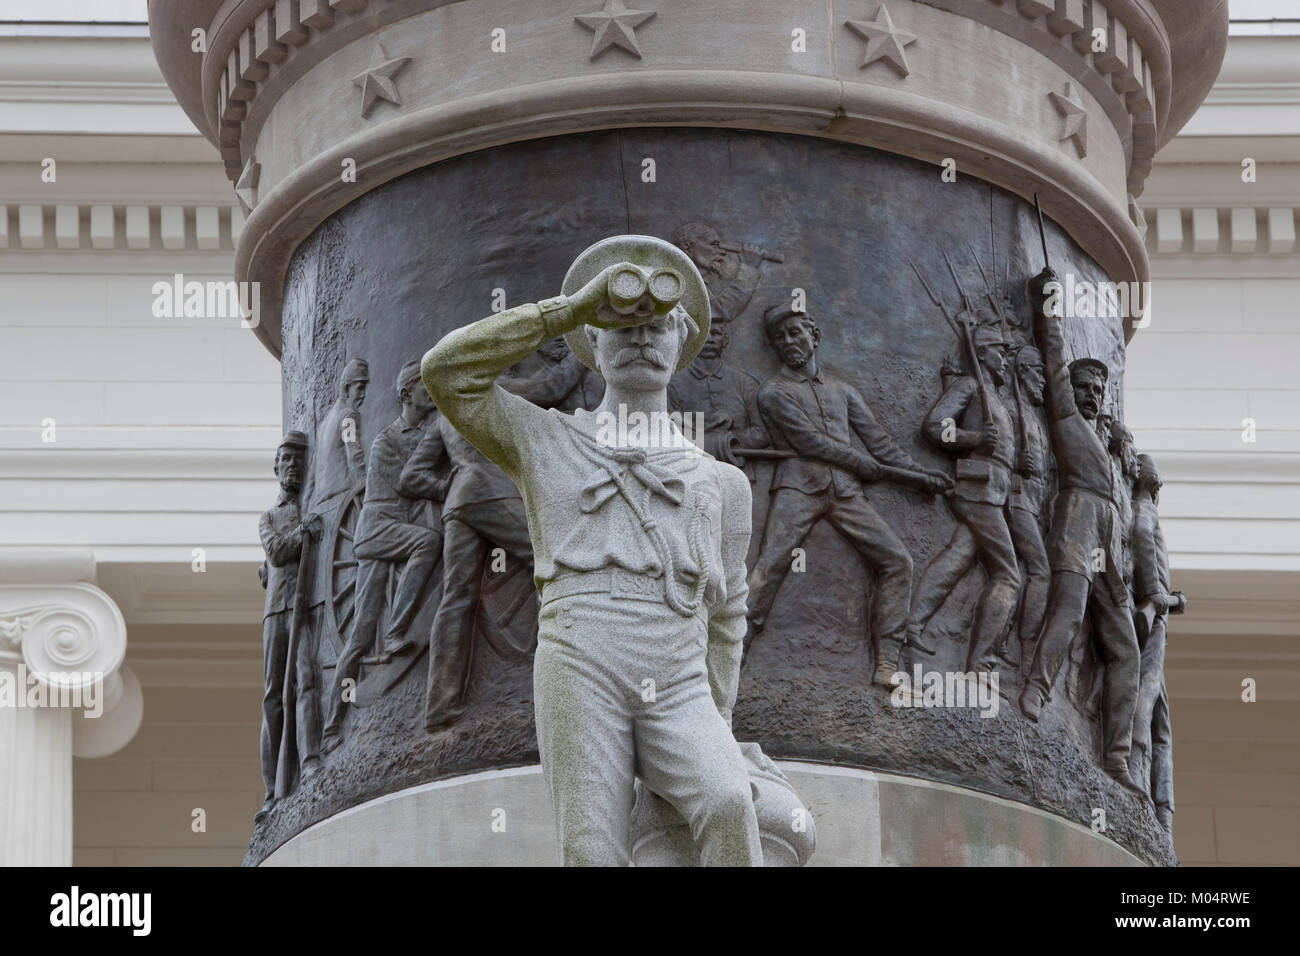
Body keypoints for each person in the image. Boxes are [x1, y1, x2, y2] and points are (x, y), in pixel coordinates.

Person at [421, 234, 772, 866]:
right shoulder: (543, 439)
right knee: (590, 849)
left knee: (727, 802)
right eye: (621, 325)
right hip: (580, 653)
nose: (641, 338)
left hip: (679, 670)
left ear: (681, 341)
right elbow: (446, 373)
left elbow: (727, 620)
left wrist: (717, 726)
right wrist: (569, 309)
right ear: (593, 341)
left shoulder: (722, 483)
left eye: (657, 326)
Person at [746, 304, 952, 687]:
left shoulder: (843, 391)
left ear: (814, 337)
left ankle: (887, 664)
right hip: (799, 488)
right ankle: (732, 653)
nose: (788, 341)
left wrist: (919, 475)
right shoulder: (773, 393)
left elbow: (879, 442)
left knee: (898, 562)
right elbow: (811, 443)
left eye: (795, 332)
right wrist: (859, 463)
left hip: (845, 492)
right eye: (779, 337)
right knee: (769, 568)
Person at [1018, 268, 1143, 792]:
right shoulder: (1066, 419)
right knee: (1068, 614)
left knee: (1127, 650)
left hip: (1106, 540)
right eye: (1084, 387)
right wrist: (1047, 302)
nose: (1091, 394)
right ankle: (1033, 691)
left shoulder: (1107, 443)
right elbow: (1053, 356)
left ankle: (1116, 758)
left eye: (1098, 389)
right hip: (1076, 522)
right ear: (1070, 391)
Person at [320, 361, 449, 754]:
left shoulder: (423, 431)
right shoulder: (386, 441)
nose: (431, 393)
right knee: (426, 543)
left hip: (392, 530)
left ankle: (332, 724)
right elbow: (409, 483)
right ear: (407, 394)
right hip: (378, 528)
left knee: (361, 631)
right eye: (424, 387)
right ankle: (394, 634)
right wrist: (445, 485)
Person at [906, 319, 1020, 674]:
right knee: (1008, 575)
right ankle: (981, 662)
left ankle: (911, 624)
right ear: (982, 353)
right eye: (1000, 352)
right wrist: (974, 439)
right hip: (977, 490)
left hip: (992, 491)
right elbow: (935, 426)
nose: (1005, 359)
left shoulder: (993, 396)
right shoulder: (970, 386)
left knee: (957, 558)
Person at [257, 431, 321, 820]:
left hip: (306, 607)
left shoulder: (314, 505)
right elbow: (278, 551)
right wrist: (303, 533)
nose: (294, 464)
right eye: (286, 459)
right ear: (277, 468)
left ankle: (310, 760)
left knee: (306, 681)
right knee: (273, 696)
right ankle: (272, 789)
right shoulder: (269, 517)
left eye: (299, 458)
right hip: (277, 613)